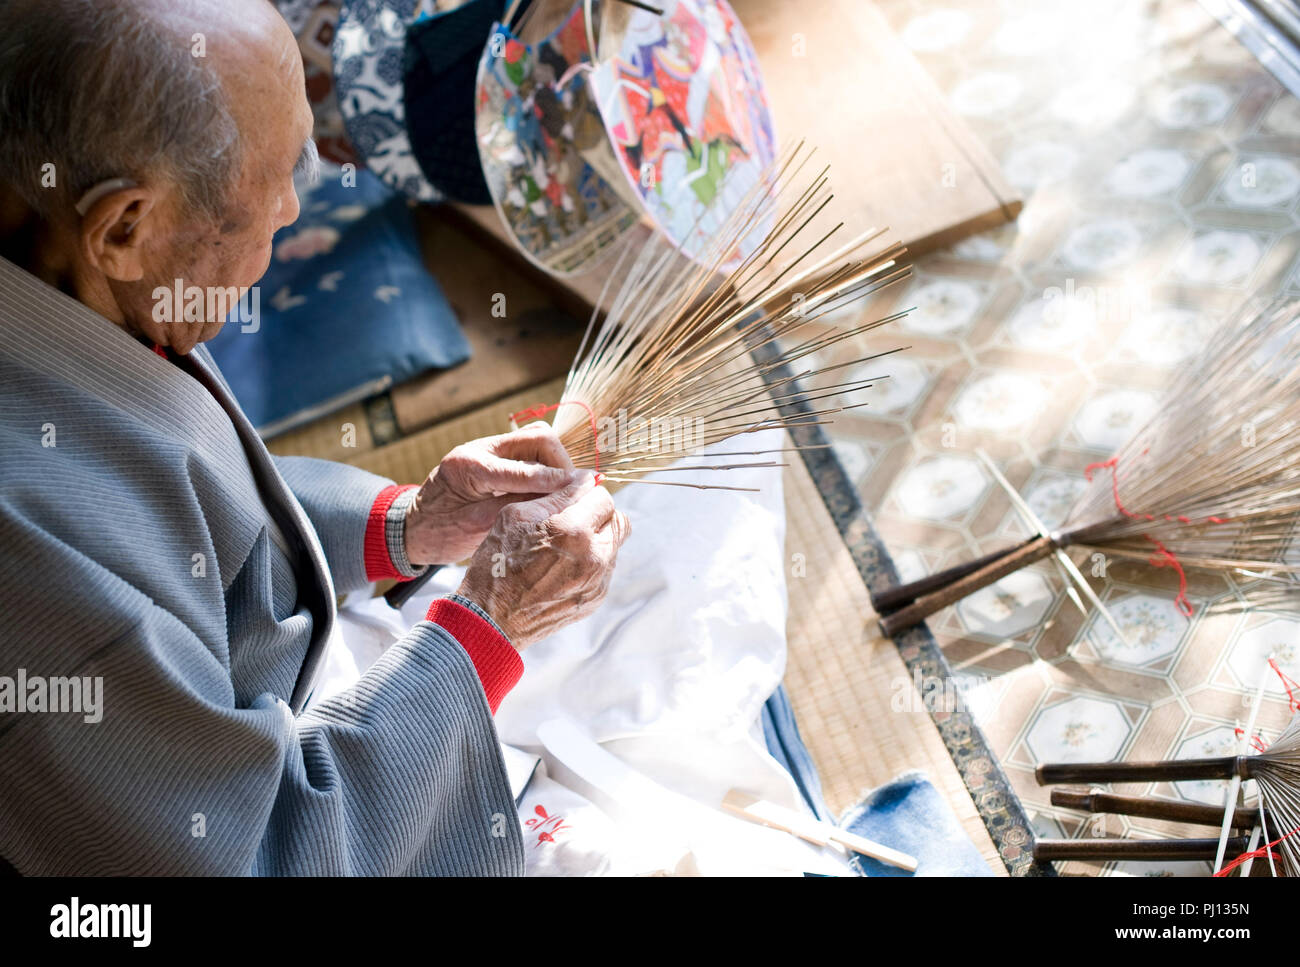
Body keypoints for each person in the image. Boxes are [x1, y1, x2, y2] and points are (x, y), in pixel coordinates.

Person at [0, 0, 629, 875]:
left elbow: (188, 508)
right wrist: (489, 623)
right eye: (277, 181)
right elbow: (258, 855)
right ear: (125, 229)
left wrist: (409, 523)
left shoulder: (63, 276)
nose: (297, 207)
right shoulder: (38, 570)